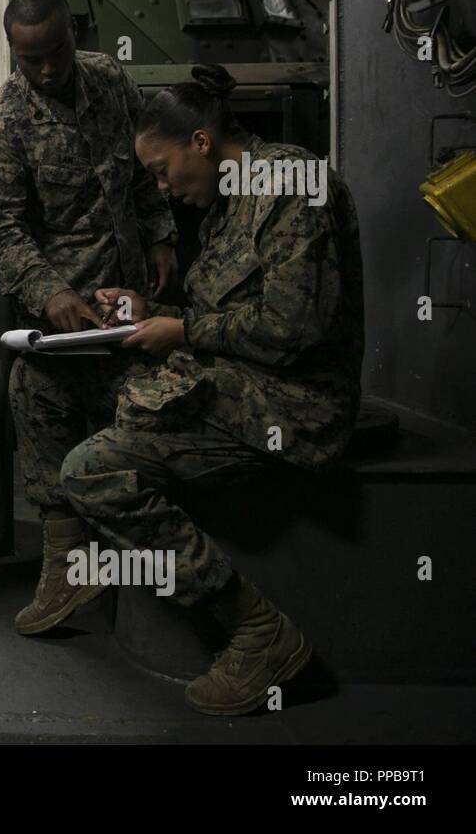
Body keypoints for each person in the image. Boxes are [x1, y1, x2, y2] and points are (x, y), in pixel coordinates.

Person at [61, 63, 365, 715]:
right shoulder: (234, 199)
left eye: (163, 170)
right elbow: (219, 309)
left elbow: (295, 327)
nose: (164, 188)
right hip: (252, 384)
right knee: (90, 385)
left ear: (200, 141)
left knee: (90, 471)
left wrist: (182, 329)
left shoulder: (288, 183)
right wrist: (146, 309)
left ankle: (258, 634)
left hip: (298, 406)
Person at [0, 0, 177, 635]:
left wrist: (162, 229)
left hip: (136, 293)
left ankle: (155, 566)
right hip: (69, 308)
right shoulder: (1, 126)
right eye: (31, 60)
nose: (49, 70)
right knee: (36, 392)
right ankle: (66, 566)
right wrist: (49, 293)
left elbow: (146, 169)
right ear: (13, 52)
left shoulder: (111, 81)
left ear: (73, 35)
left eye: (56, 52)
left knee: (150, 414)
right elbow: (0, 229)